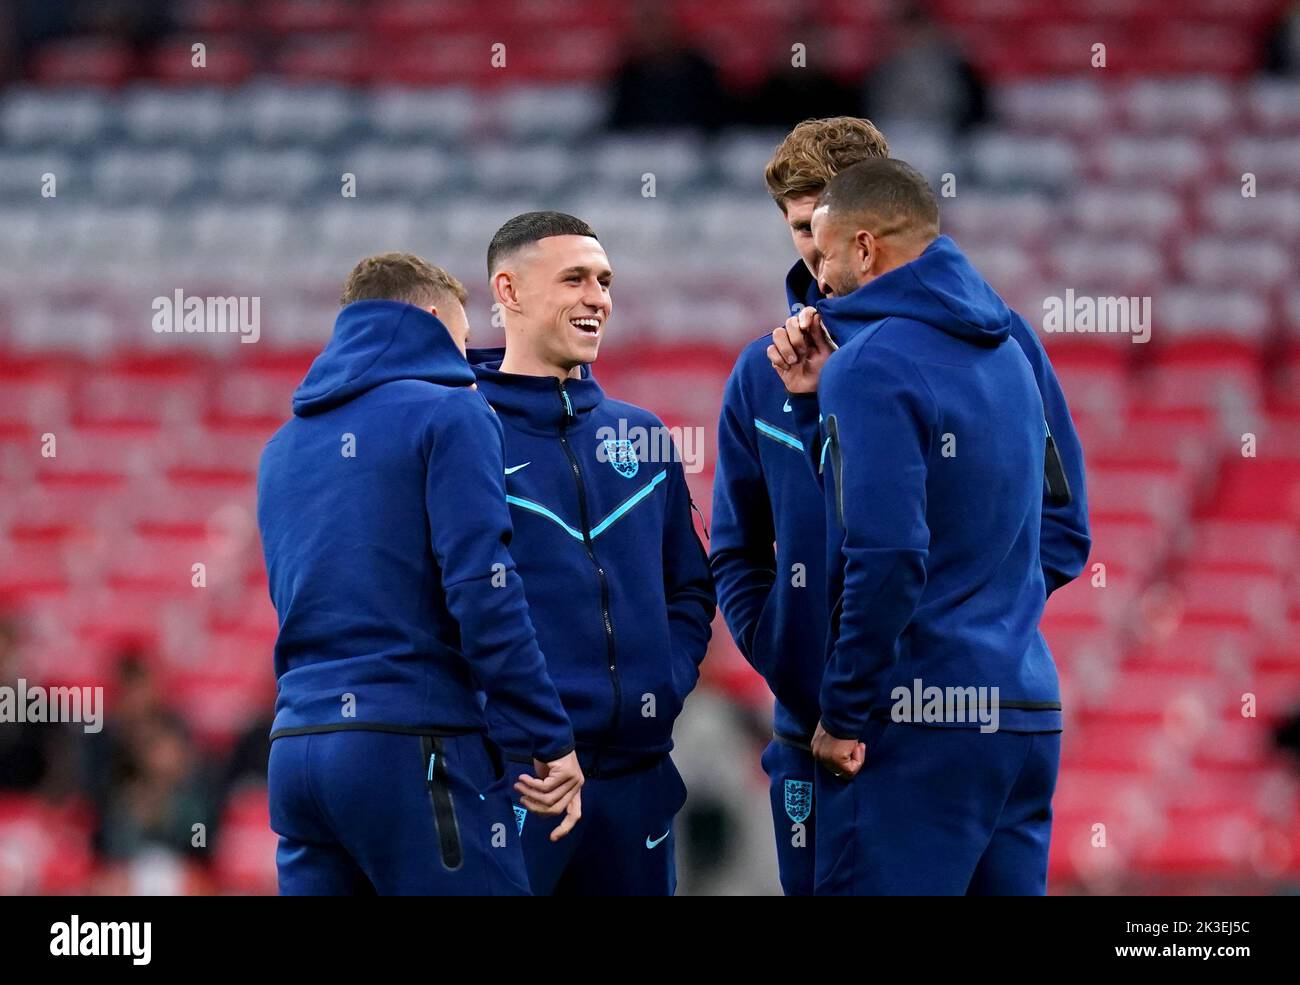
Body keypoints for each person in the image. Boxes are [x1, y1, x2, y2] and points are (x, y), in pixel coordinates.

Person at [709, 117, 1089, 895]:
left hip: (884, 723)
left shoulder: (998, 341)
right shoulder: (761, 374)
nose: (815, 251)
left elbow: (1059, 530)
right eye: (797, 227)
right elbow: (737, 548)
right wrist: (791, 655)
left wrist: (946, 628)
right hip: (871, 715)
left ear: (866, 230)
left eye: (826, 224)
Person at [257, 252, 582, 895]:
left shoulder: (281, 447)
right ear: (433, 321)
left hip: (296, 751)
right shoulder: (451, 414)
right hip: (411, 746)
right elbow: (484, 592)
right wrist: (547, 734)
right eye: (461, 343)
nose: (466, 366)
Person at [470, 212, 715, 895]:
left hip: (638, 781)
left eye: (605, 281)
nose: (597, 297)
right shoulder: (464, 433)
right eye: (574, 279)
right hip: (521, 783)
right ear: (510, 291)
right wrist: (513, 729)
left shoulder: (644, 435)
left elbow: (690, 589)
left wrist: (662, 685)